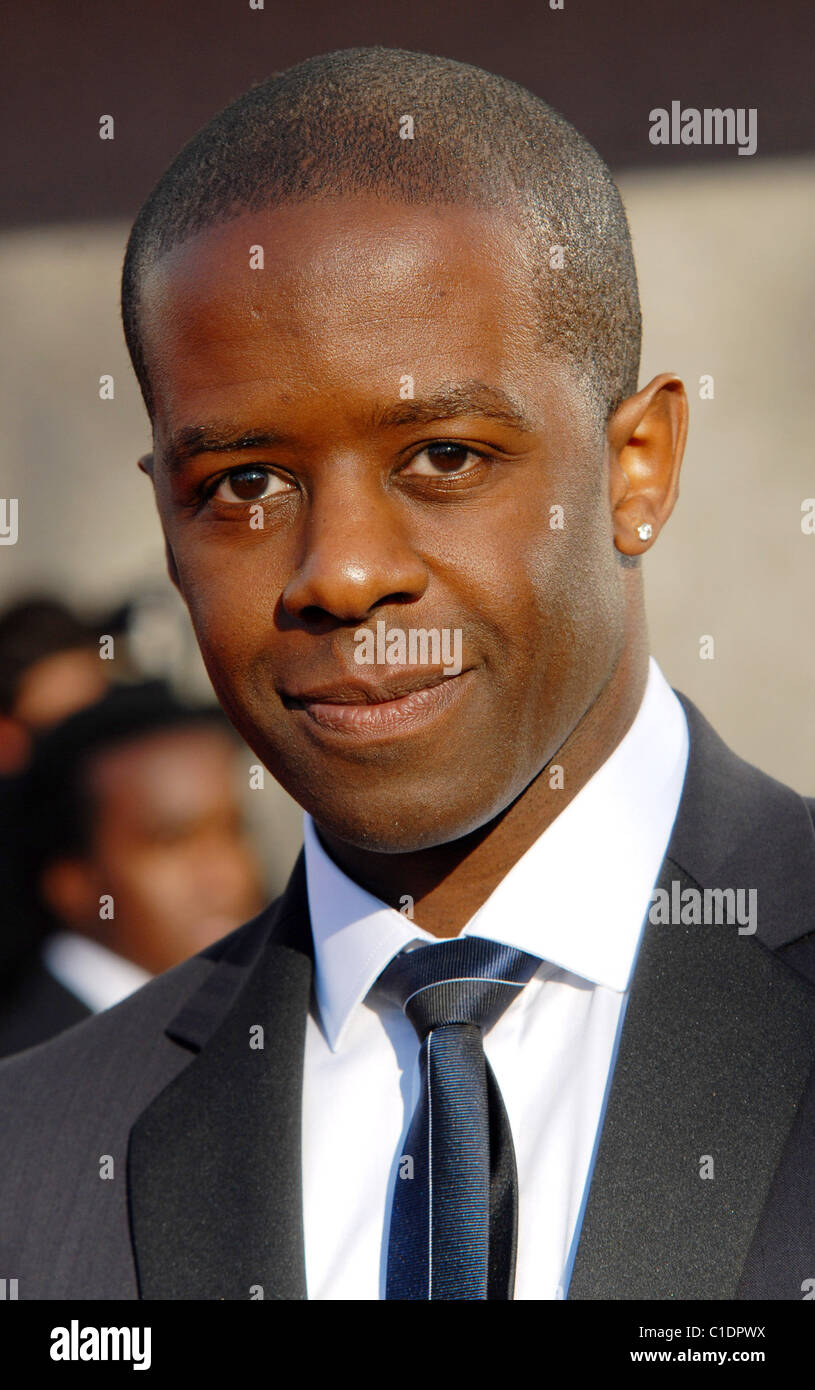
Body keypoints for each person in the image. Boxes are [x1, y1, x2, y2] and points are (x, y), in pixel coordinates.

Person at [0, 46, 813, 1301]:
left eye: (441, 454)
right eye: (245, 484)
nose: (341, 572)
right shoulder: (39, 1160)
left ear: (637, 465)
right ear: (165, 520)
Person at [0, 681, 267, 1058]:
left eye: (235, 830)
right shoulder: (26, 1080)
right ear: (72, 884)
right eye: (171, 841)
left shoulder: (261, 1012)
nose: (228, 877)